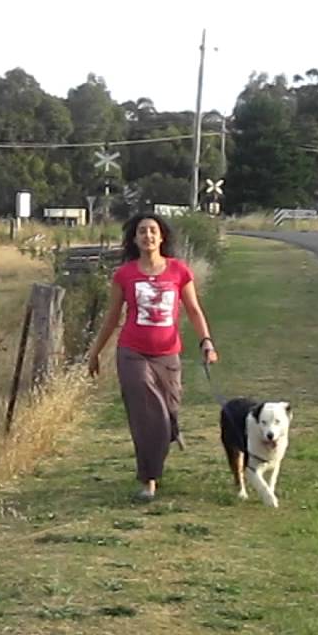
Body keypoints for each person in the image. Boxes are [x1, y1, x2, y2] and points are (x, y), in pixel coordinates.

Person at [86, 212, 218, 502]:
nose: (148, 236)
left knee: (167, 412)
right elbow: (111, 319)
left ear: (162, 237)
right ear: (135, 239)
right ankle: (149, 480)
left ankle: (170, 429)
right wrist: (95, 353)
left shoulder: (178, 271)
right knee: (148, 415)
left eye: (153, 231)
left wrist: (206, 342)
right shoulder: (125, 274)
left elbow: (194, 311)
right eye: (142, 231)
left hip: (168, 355)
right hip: (132, 353)